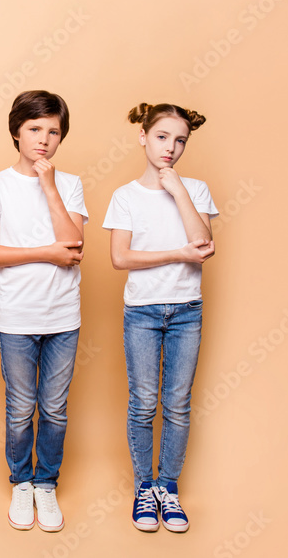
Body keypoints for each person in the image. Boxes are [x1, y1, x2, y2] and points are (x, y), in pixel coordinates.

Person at [0, 90, 87, 533]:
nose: (44, 139)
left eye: (53, 131)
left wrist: (49, 186)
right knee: (21, 408)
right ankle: (21, 481)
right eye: (35, 129)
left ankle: (45, 482)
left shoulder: (69, 183)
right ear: (17, 131)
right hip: (17, 317)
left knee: (54, 409)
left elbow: (74, 248)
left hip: (63, 317)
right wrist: (46, 252)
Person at [102, 102, 217, 534]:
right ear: (143, 137)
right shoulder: (125, 196)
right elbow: (119, 258)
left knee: (179, 403)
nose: (171, 147)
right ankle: (144, 488)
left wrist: (179, 191)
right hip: (143, 312)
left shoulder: (196, 189)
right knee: (143, 402)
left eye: (180, 140)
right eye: (163, 136)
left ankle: (169, 487)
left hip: (187, 310)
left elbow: (204, 245)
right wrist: (175, 254)